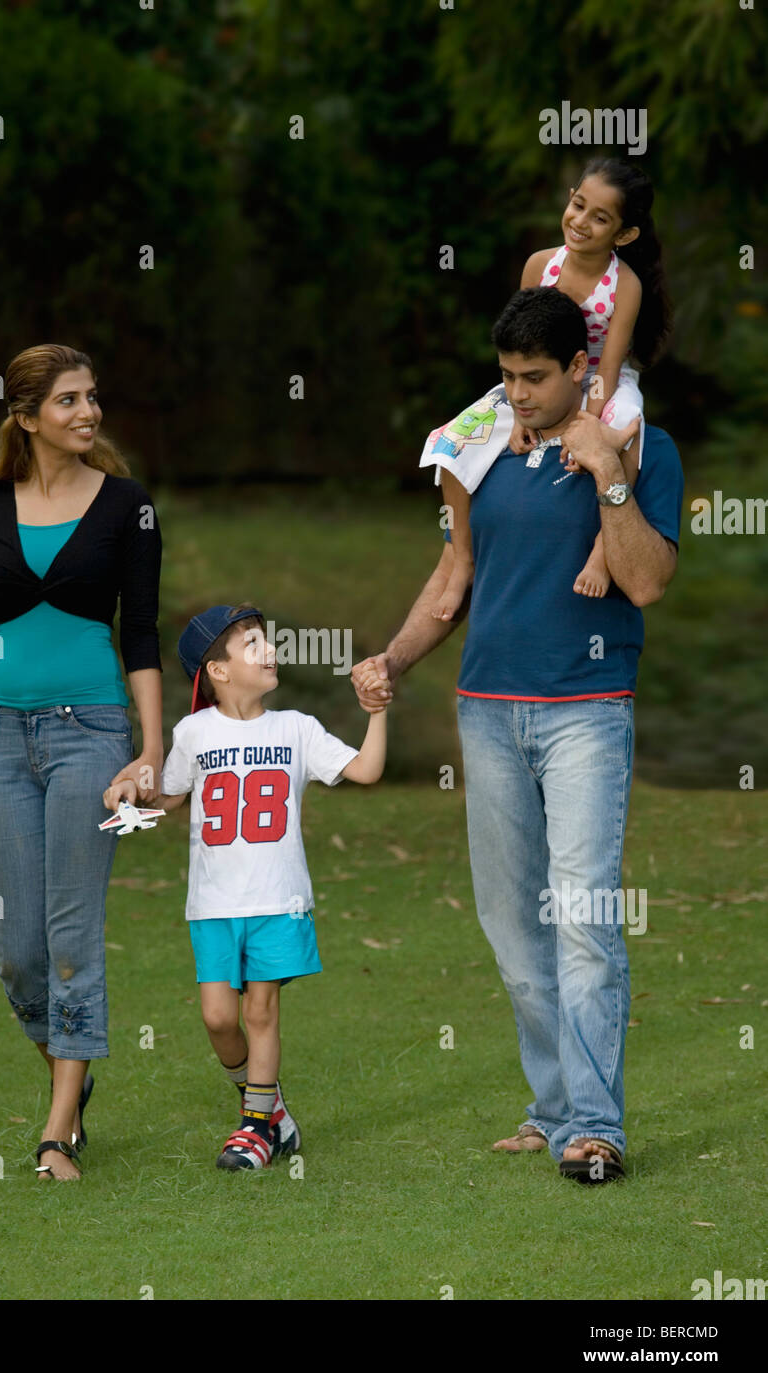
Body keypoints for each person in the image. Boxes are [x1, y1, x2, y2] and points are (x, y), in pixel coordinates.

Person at [354, 288, 683, 1182]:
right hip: (486, 714)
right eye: (505, 376)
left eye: (534, 378)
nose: (517, 394)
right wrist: (394, 658)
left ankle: (596, 1127)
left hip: (586, 710)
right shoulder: (479, 444)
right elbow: (456, 570)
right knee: (511, 927)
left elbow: (647, 581)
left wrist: (607, 472)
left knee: (580, 921)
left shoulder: (641, 446)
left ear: (581, 368)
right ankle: (551, 1110)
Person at [0, 343, 163, 1181]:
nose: (88, 412)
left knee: (72, 934)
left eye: (92, 396)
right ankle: (74, 1068)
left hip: (90, 737)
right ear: (26, 417)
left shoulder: (126, 507)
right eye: (68, 401)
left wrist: (151, 745)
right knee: (16, 949)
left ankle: (57, 1129)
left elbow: (140, 632)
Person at [105, 604, 386, 1170]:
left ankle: (254, 1129)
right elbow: (167, 794)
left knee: (260, 1012)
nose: (269, 650)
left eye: (267, 639)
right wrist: (129, 786)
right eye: (252, 643)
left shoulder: (296, 728)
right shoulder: (192, 732)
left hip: (277, 899)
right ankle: (269, 1110)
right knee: (217, 1018)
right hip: (212, 904)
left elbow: (366, 771)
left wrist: (376, 713)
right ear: (219, 670)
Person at [431, 156, 671, 615]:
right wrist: (518, 413)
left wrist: (585, 425)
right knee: (454, 441)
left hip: (602, 381)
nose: (580, 222)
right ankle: (461, 561)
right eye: (578, 205)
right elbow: (519, 348)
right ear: (569, 199)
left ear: (623, 234)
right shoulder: (540, 265)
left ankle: (602, 551)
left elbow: (607, 369)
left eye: (599, 218)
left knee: (627, 435)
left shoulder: (625, 285)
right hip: (540, 381)